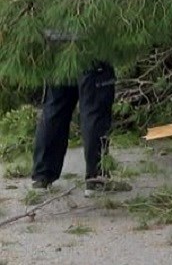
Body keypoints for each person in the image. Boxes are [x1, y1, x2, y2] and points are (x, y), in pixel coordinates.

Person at [31, 57, 130, 196]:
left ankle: (42, 176)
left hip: (57, 48)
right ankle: (96, 178)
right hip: (91, 48)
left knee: (54, 110)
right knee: (95, 112)